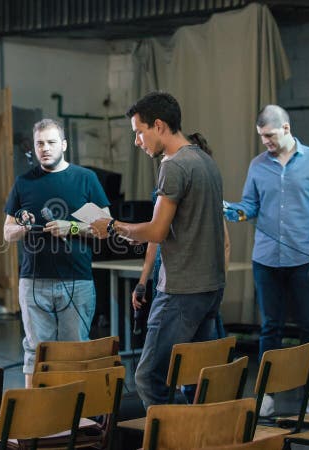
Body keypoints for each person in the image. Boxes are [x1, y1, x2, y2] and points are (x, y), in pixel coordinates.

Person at [90, 92, 225, 408]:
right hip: (210, 287)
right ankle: (197, 437)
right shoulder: (205, 161)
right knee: (196, 378)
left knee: (149, 377)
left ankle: (171, 439)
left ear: (160, 125)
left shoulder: (174, 165)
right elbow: (172, 230)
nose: (137, 141)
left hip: (180, 290)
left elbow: (157, 230)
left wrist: (112, 227)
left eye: (139, 131)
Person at [223, 104, 309, 415]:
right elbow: (249, 206)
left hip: (307, 260)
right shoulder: (257, 165)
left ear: (287, 129)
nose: (266, 142)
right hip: (266, 260)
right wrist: (233, 210)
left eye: (270, 135)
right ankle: (266, 393)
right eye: (262, 137)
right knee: (270, 329)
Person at [3, 118, 110, 388]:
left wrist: (71, 227)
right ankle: (34, 419)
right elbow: (7, 232)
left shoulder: (85, 179)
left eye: (51, 142)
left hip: (77, 281)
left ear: (63, 144)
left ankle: (76, 419)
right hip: (34, 282)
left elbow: (105, 227)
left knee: (75, 353)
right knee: (36, 354)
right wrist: (24, 227)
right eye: (40, 143)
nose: (45, 148)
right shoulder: (24, 182)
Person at [134, 133, 231, 340]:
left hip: (194, 277)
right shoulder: (168, 181)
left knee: (197, 349)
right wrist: (143, 281)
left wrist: (218, 284)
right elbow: (155, 235)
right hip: (168, 272)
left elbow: (225, 243)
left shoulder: (201, 186)